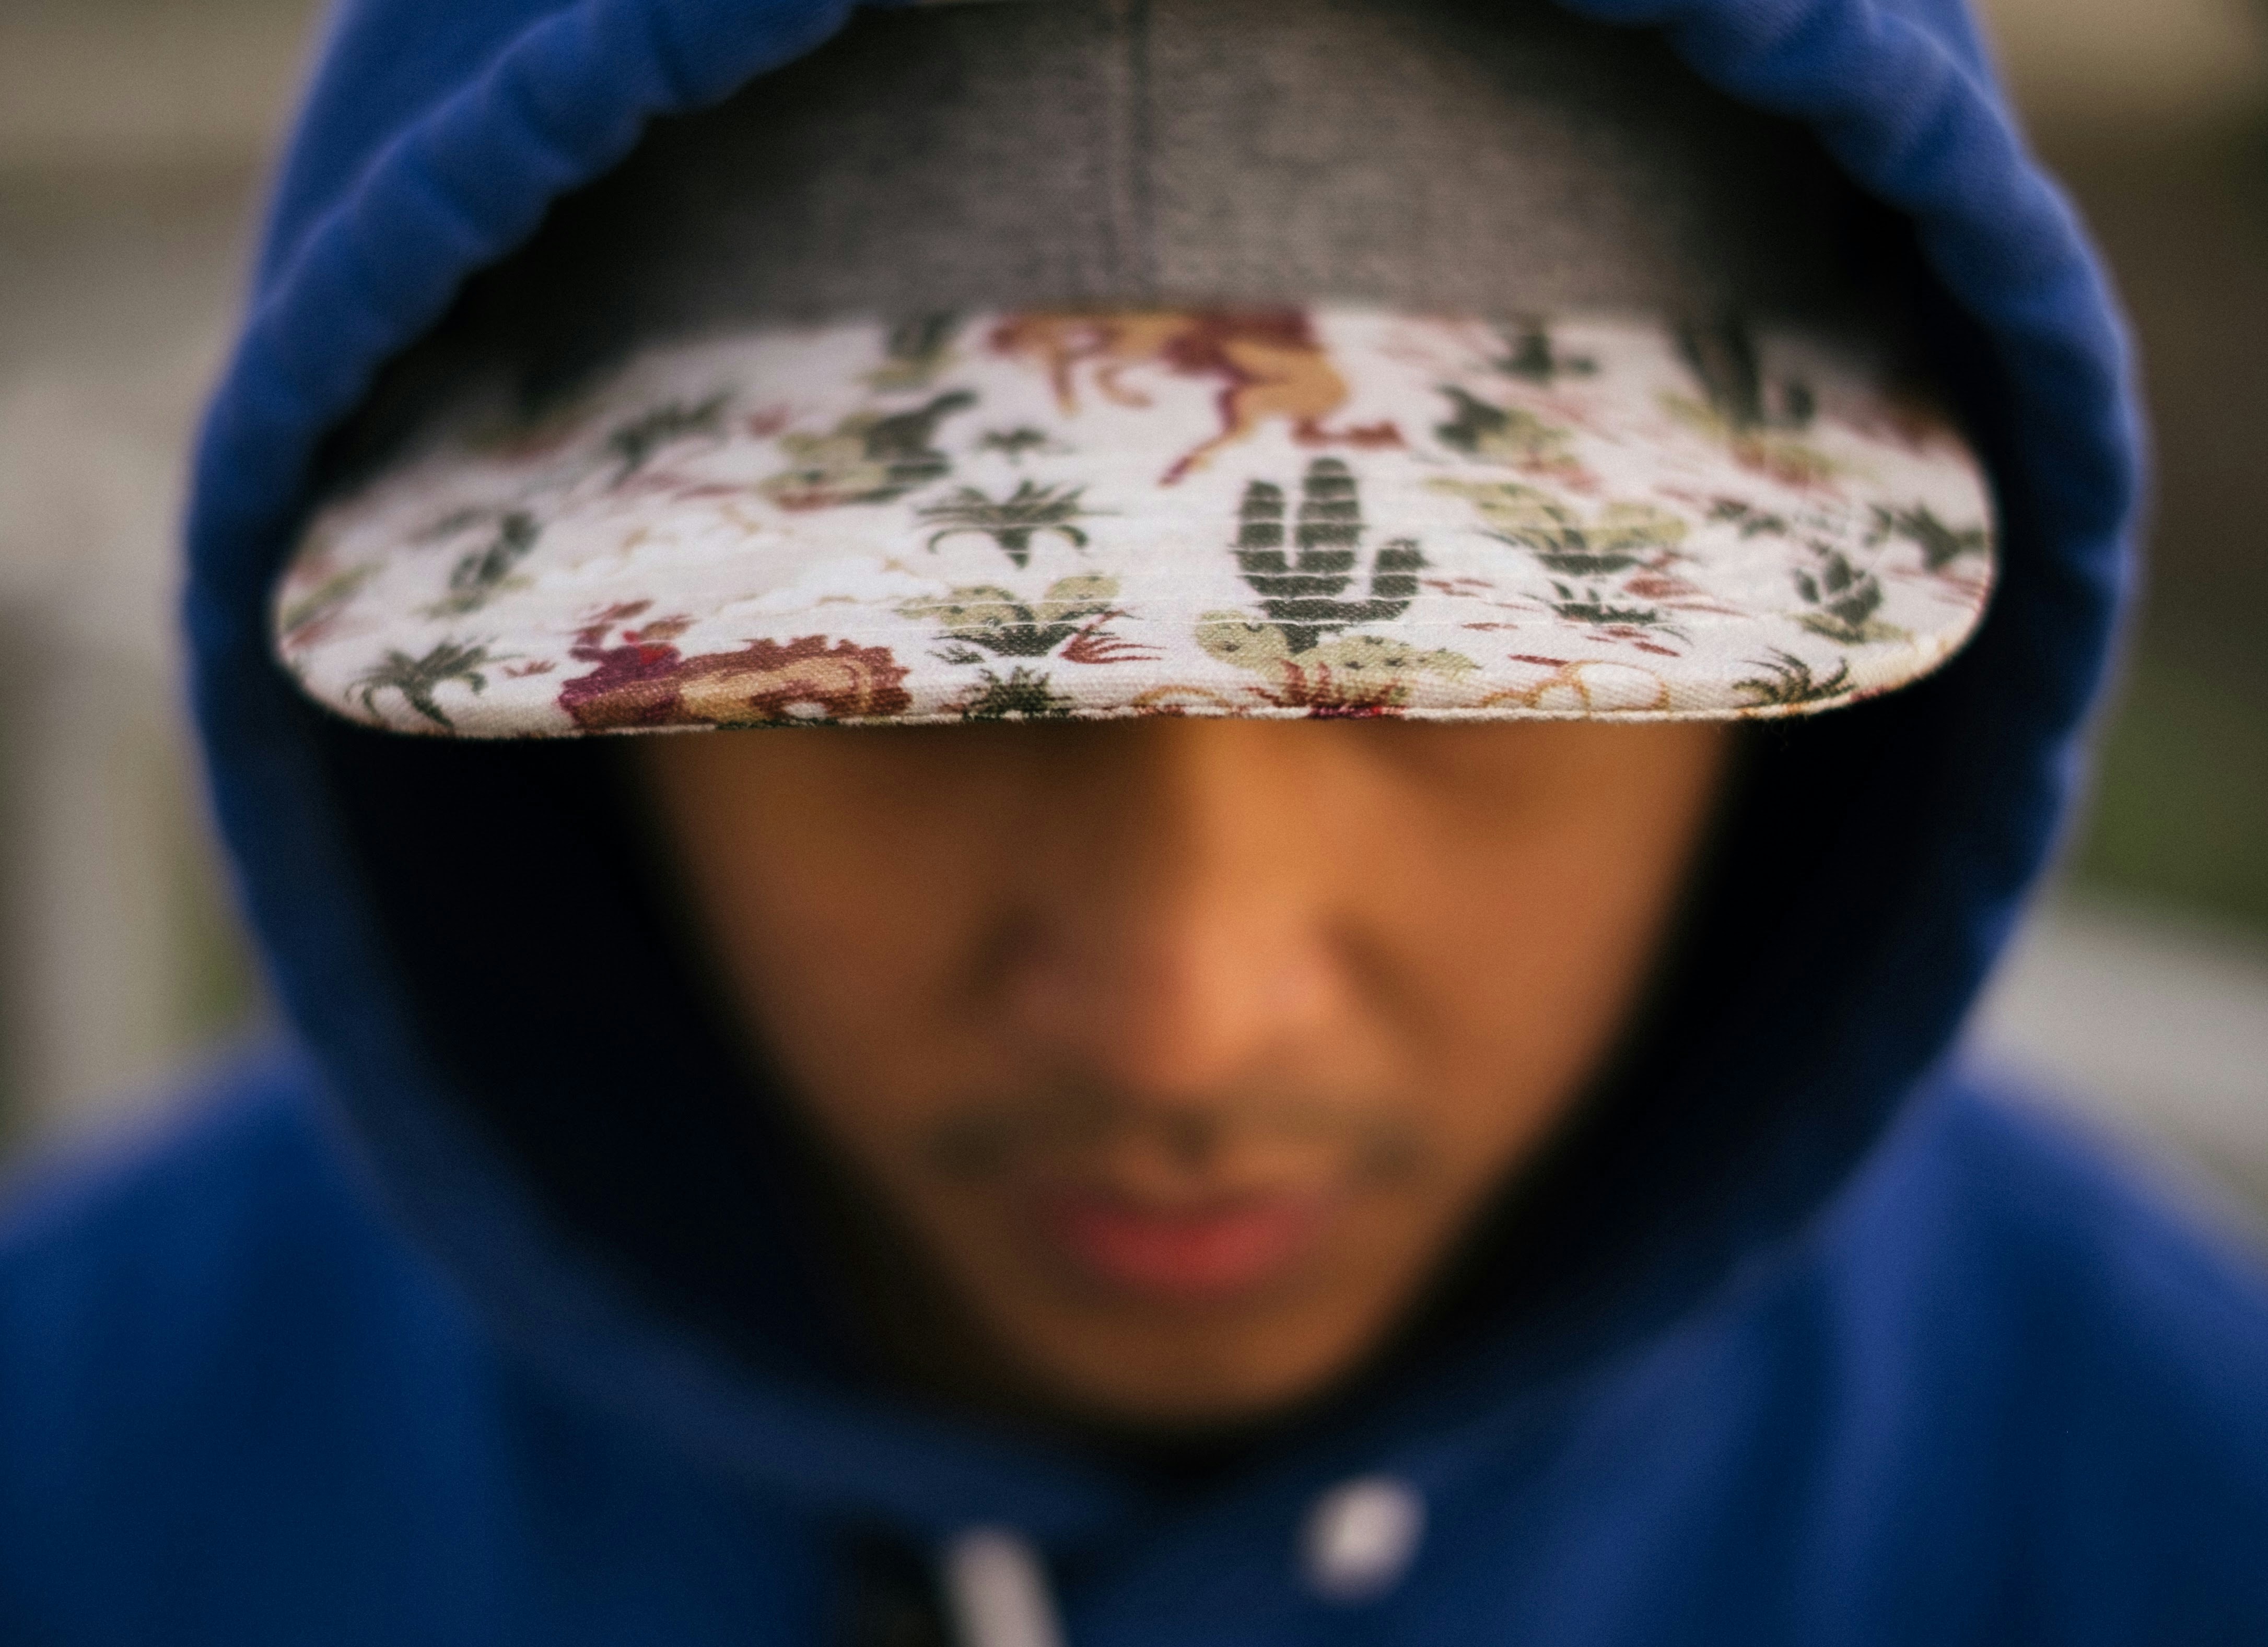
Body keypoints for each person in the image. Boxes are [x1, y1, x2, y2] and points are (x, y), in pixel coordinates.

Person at [3, 0, 2264, 1641]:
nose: (1185, 1019)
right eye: (870, 690)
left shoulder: (2173, 1509)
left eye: (1473, 664)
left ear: (1825, 731)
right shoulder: (80, 1480)